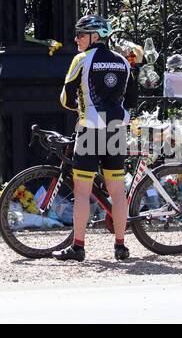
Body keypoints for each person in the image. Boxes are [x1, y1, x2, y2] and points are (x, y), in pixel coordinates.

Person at [51, 14, 137, 262]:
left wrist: (82, 109)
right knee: (118, 191)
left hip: (90, 127)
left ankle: (78, 247)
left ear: (95, 36)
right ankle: (121, 246)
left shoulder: (81, 59)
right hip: (116, 128)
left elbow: (66, 98)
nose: (76, 39)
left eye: (80, 34)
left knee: (82, 191)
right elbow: (131, 100)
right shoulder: (123, 62)